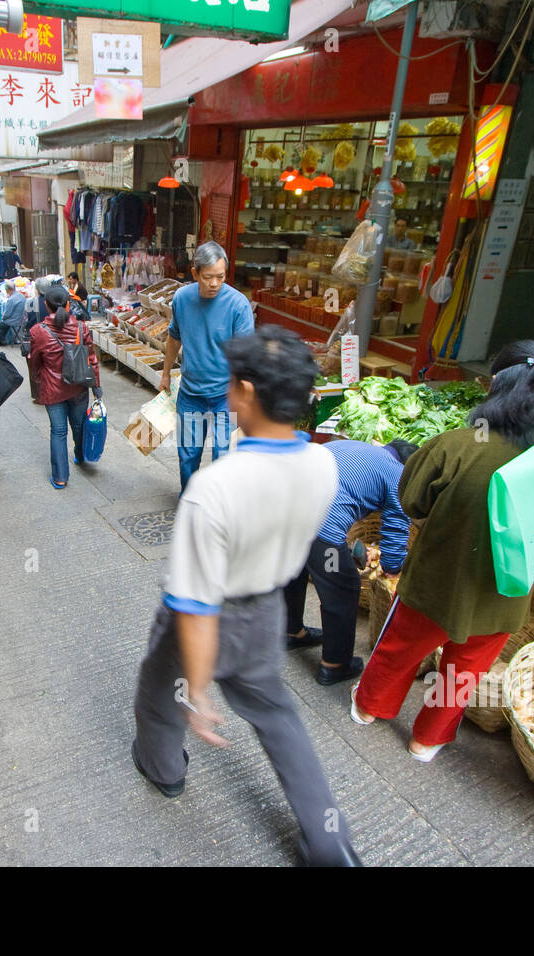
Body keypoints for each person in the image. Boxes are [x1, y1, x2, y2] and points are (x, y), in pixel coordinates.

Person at [132, 325, 360, 866]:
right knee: (278, 717)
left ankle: (165, 769)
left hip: (210, 618)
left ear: (248, 393)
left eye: (232, 382)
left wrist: (201, 687)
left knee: (160, 692)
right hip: (265, 614)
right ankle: (331, 845)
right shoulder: (324, 463)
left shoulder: (215, 487)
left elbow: (196, 605)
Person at [350, 341, 534, 761]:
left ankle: (370, 707)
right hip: (504, 598)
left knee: (399, 650)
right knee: (463, 673)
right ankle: (426, 741)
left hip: (434, 586)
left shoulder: (457, 444)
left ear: (497, 387)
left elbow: (412, 502)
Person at [283, 438, 415, 686]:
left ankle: (292, 632)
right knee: (343, 586)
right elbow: (396, 535)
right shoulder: (397, 475)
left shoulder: (356, 447)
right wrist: (394, 567)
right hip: (318, 524)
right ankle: (335, 664)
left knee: (296, 568)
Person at [158, 241, 255, 493]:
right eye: (208, 277)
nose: (214, 283)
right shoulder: (182, 298)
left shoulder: (238, 304)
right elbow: (173, 338)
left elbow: (246, 354)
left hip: (226, 396)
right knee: (187, 456)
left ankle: (216, 508)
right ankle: (190, 502)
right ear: (195, 274)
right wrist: (166, 373)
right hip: (191, 394)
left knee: (223, 456)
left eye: (220, 277)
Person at [26, 296, 104, 489]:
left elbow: (34, 361)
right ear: (69, 305)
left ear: (46, 305)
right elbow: (91, 358)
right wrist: (96, 386)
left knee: (58, 431)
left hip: (52, 389)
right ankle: (80, 456)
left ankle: (60, 477)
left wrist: (38, 378)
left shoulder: (38, 331)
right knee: (78, 425)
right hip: (78, 385)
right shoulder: (81, 327)